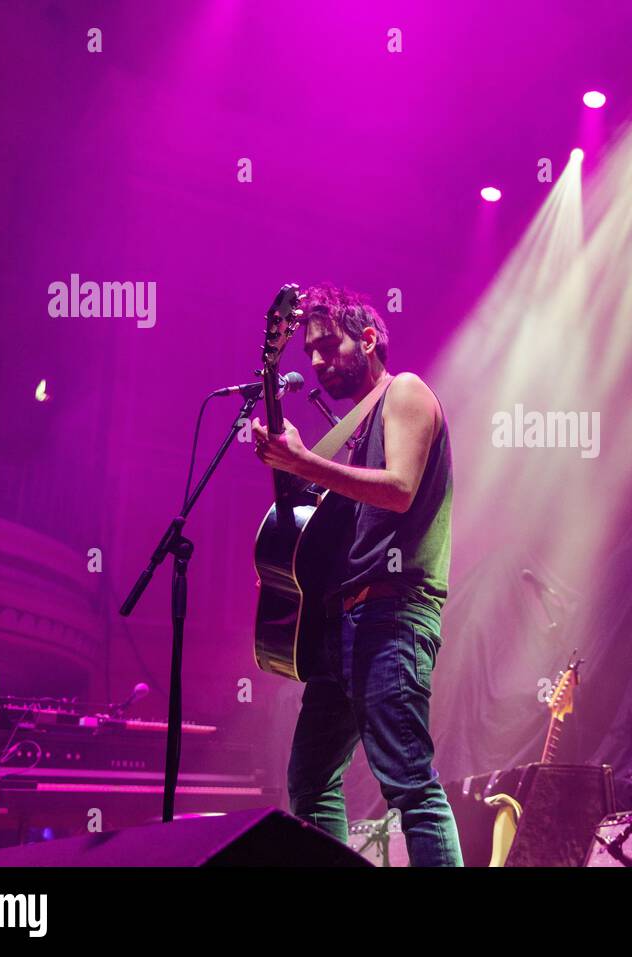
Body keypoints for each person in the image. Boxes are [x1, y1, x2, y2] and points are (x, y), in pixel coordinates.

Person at [252, 283, 462, 866]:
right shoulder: (354, 436)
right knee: (311, 780)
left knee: (410, 786)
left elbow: (398, 491)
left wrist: (302, 461)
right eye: (307, 351)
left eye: (327, 346)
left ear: (367, 338)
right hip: (342, 627)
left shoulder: (407, 393)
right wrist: (292, 468)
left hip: (392, 616)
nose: (315, 362)